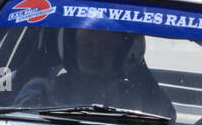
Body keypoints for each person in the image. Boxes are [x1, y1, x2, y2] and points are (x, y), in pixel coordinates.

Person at [15, 28, 175, 119]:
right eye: (87, 44)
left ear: (122, 53)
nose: (95, 53)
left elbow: (167, 119)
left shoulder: (136, 98)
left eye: (106, 47)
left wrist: (137, 68)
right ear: (72, 48)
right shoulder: (40, 92)